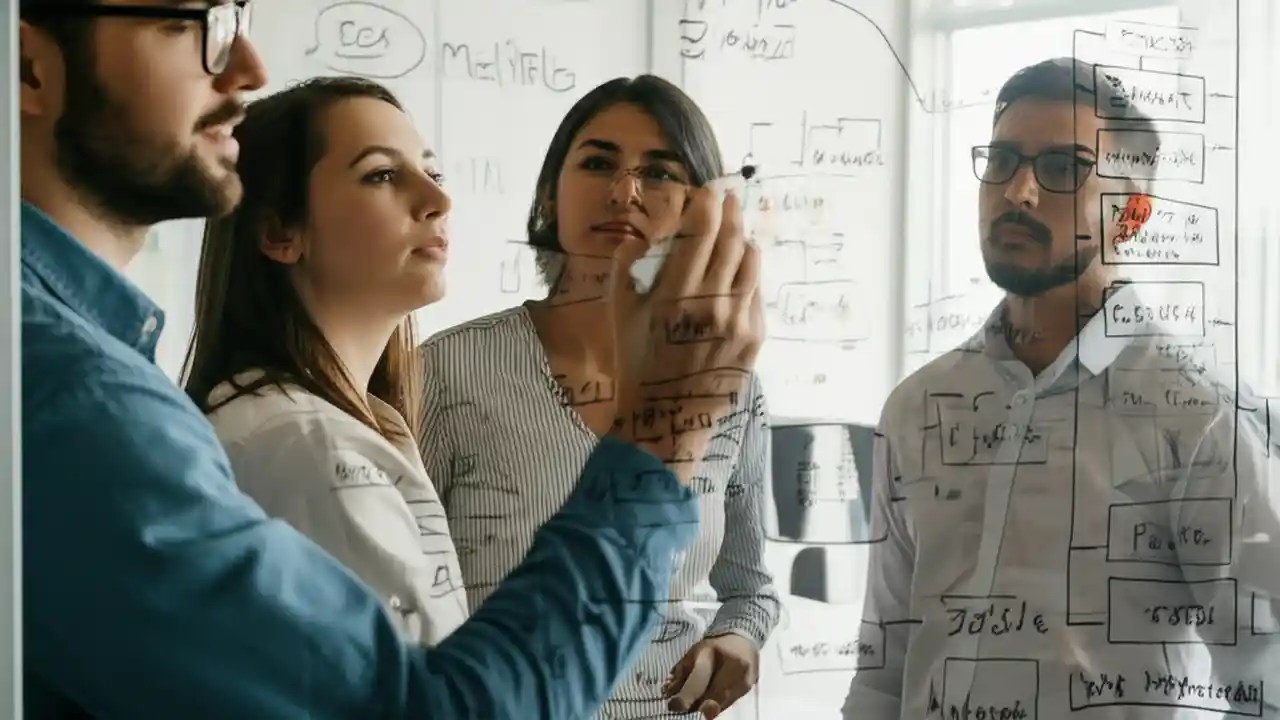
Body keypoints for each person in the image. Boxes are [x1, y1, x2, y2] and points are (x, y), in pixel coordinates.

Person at [17, 0, 764, 716]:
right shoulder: (121, 406)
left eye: (431, 171)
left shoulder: (356, 420)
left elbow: (746, 583)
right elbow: (429, 704)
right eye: (190, 20)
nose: (246, 64)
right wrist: (664, 430)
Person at [842, 57, 1280, 719]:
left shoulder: (1201, 419)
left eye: (1063, 169)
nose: (1018, 192)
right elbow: (884, 672)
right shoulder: (917, 408)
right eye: (1002, 160)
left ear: (1131, 214)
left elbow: (1266, 675)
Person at [418, 74, 780, 720]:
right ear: (549, 194)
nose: (624, 192)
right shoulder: (447, 372)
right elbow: (403, 600)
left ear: (702, 210)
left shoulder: (731, 387)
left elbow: (749, 587)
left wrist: (738, 637)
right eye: (597, 163)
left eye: (659, 172)